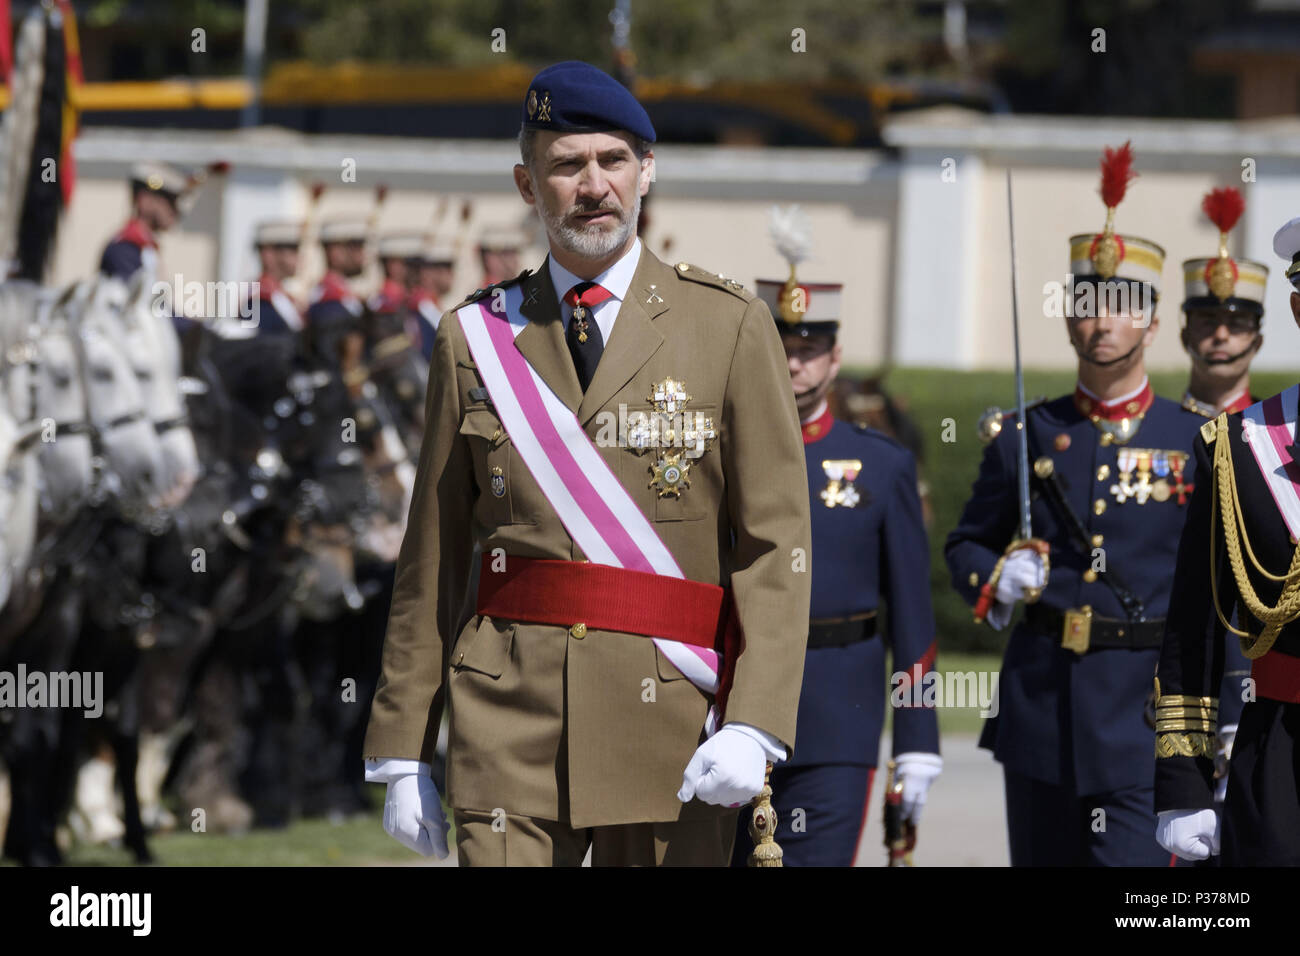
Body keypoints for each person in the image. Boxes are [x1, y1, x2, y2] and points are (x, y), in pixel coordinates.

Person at [362, 60, 811, 867]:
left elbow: (778, 547)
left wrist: (756, 720)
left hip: (672, 721)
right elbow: (431, 554)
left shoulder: (731, 325)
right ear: (528, 185)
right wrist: (401, 748)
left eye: (612, 161)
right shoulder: (473, 338)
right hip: (507, 722)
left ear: (647, 171)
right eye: (566, 164)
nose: (592, 185)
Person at [945, 143, 1237, 866]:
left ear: (1152, 321)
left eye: (1121, 305)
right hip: (1041, 709)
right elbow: (965, 544)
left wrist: (1227, 713)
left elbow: (1222, 588)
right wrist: (995, 579)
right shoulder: (1024, 434)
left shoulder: (1196, 437)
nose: (1102, 321)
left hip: (1145, 716)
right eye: (1087, 304)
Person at [729, 211, 940, 867]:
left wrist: (917, 736)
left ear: (835, 356)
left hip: (839, 714)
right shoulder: (714, 452)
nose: (793, 363)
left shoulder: (881, 464)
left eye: (809, 349)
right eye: (780, 346)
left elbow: (912, 615)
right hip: (726, 709)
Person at [1155, 215, 1300, 866]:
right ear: (1298, 307)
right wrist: (1182, 782)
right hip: (1282, 754)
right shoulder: (1236, 449)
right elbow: (1194, 630)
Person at [1180, 187, 1267, 418]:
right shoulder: (1159, 428)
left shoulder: (1275, 434)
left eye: (1237, 323)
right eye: (1208, 321)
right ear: (1184, 336)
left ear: (1257, 342)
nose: (1220, 335)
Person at [99, 161, 189, 284]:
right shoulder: (125, 250)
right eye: (170, 201)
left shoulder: (144, 247)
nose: (176, 211)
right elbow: (136, 300)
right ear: (145, 200)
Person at [249, 219, 305, 336]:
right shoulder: (259, 302)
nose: (299, 257)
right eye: (292, 249)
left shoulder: (281, 297)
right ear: (268, 253)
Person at [407, 239, 456, 362]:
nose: (451, 274)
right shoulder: (424, 307)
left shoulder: (428, 305)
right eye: (445, 267)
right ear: (426, 273)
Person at [475, 224, 523, 289]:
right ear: (487, 257)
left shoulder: (518, 289)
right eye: (506, 253)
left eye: (514, 252)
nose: (514, 259)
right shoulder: (487, 296)